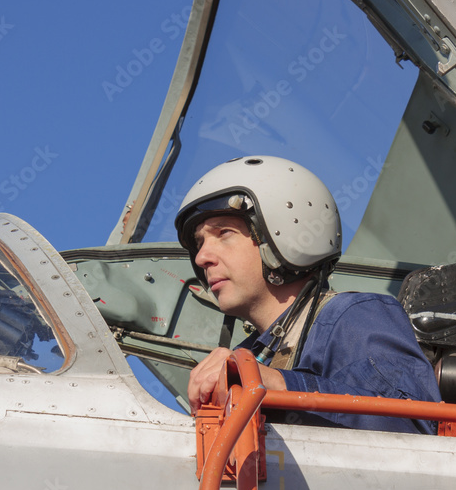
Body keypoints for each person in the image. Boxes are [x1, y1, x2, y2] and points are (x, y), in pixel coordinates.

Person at [174, 155, 440, 433]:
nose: (202, 257)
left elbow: (412, 428)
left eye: (224, 233)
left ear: (283, 233)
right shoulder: (250, 358)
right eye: (199, 243)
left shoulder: (351, 318)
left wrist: (279, 386)